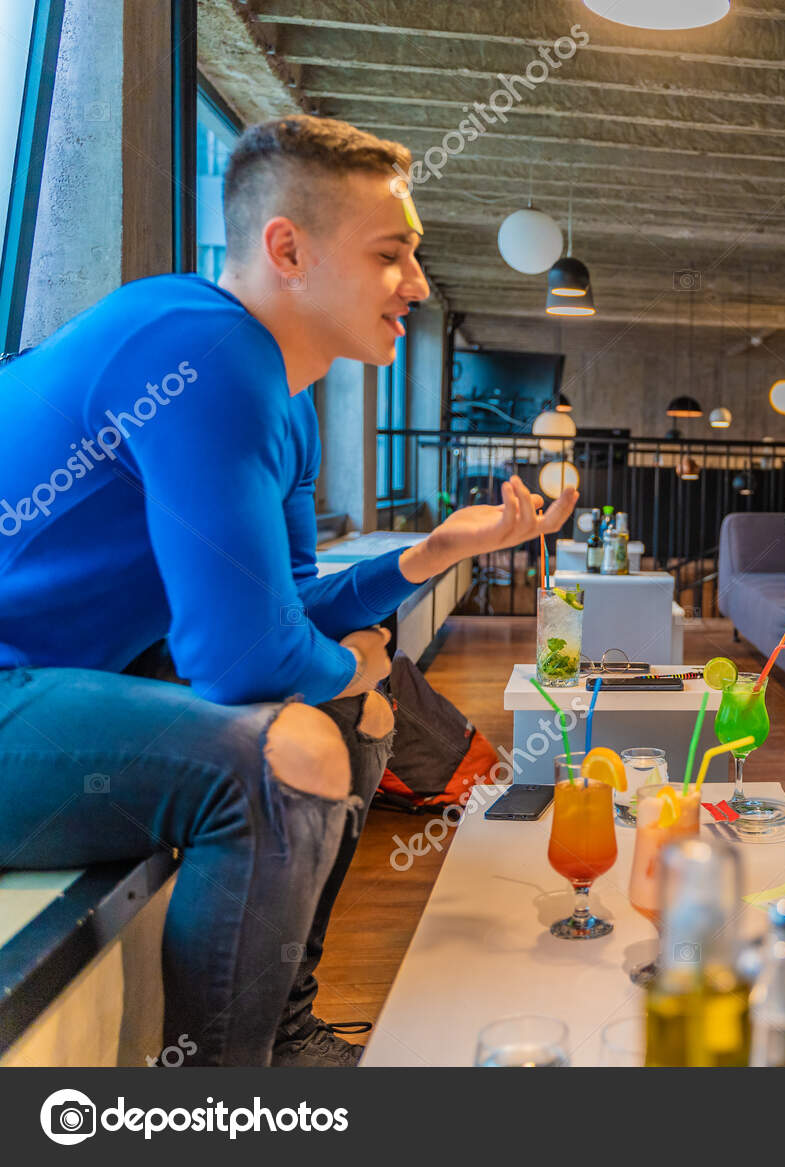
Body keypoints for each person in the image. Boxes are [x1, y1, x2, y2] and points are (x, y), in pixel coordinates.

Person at [0, 116, 576, 1066]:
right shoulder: (203, 348)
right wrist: (349, 665)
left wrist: (433, 551)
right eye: (392, 255)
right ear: (287, 249)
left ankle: (281, 1036)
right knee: (292, 748)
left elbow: (285, 608)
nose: (418, 284)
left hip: (51, 683)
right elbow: (241, 658)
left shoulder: (284, 398)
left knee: (355, 717)